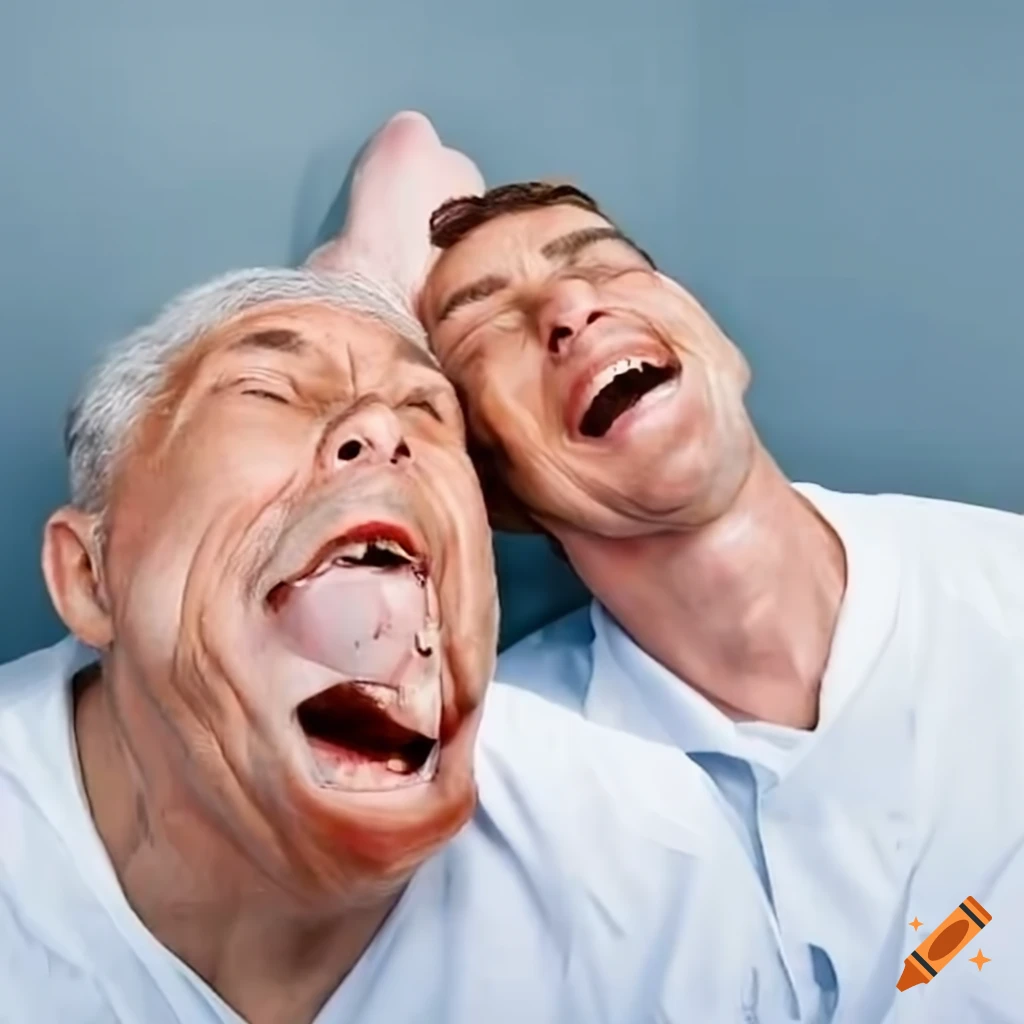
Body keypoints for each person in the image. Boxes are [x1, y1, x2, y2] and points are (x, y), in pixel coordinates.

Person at [0, 240, 809, 1020]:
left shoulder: (651, 863)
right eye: (267, 391)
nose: (383, 430)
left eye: (426, 412)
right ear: (90, 575)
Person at [337, 112, 1024, 1022]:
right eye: (486, 329)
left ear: (710, 335)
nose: (569, 308)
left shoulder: (1005, 590)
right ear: (489, 491)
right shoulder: (486, 785)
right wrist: (356, 294)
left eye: (601, 264)